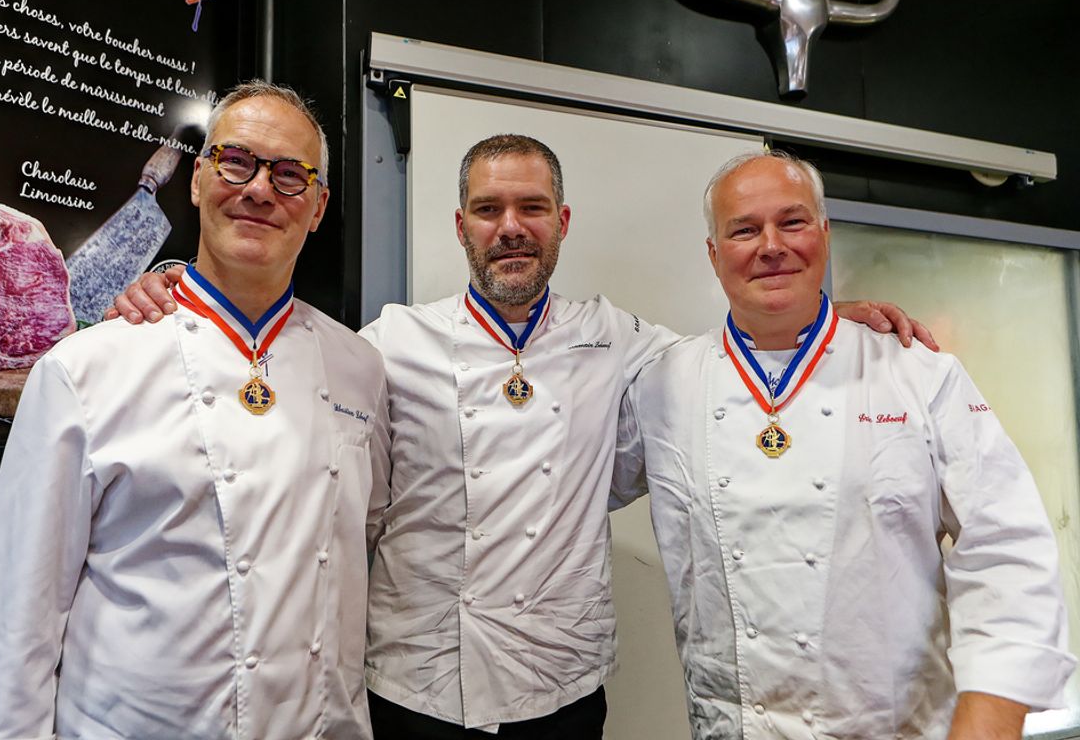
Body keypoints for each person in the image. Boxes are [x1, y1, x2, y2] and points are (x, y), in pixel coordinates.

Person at [109, 135, 932, 738]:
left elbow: (728, 364)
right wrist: (168, 290)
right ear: (460, 225)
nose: (511, 227)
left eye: (532, 208)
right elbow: (278, 377)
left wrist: (815, 318)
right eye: (489, 210)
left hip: (558, 689)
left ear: (561, 222)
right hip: (414, 687)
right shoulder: (389, 343)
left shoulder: (617, 340)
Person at [0, 81, 390, 740]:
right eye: (236, 162)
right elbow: (15, 624)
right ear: (198, 179)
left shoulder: (359, 367)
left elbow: (362, 543)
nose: (259, 189)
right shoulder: (85, 369)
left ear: (319, 206)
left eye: (290, 175)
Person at [619, 150, 1076, 739]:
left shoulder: (917, 371)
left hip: (896, 728)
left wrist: (987, 722)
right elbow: (567, 481)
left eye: (792, 222)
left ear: (825, 233)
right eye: (744, 230)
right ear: (713, 254)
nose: (771, 246)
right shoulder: (663, 383)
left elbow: (1004, 547)